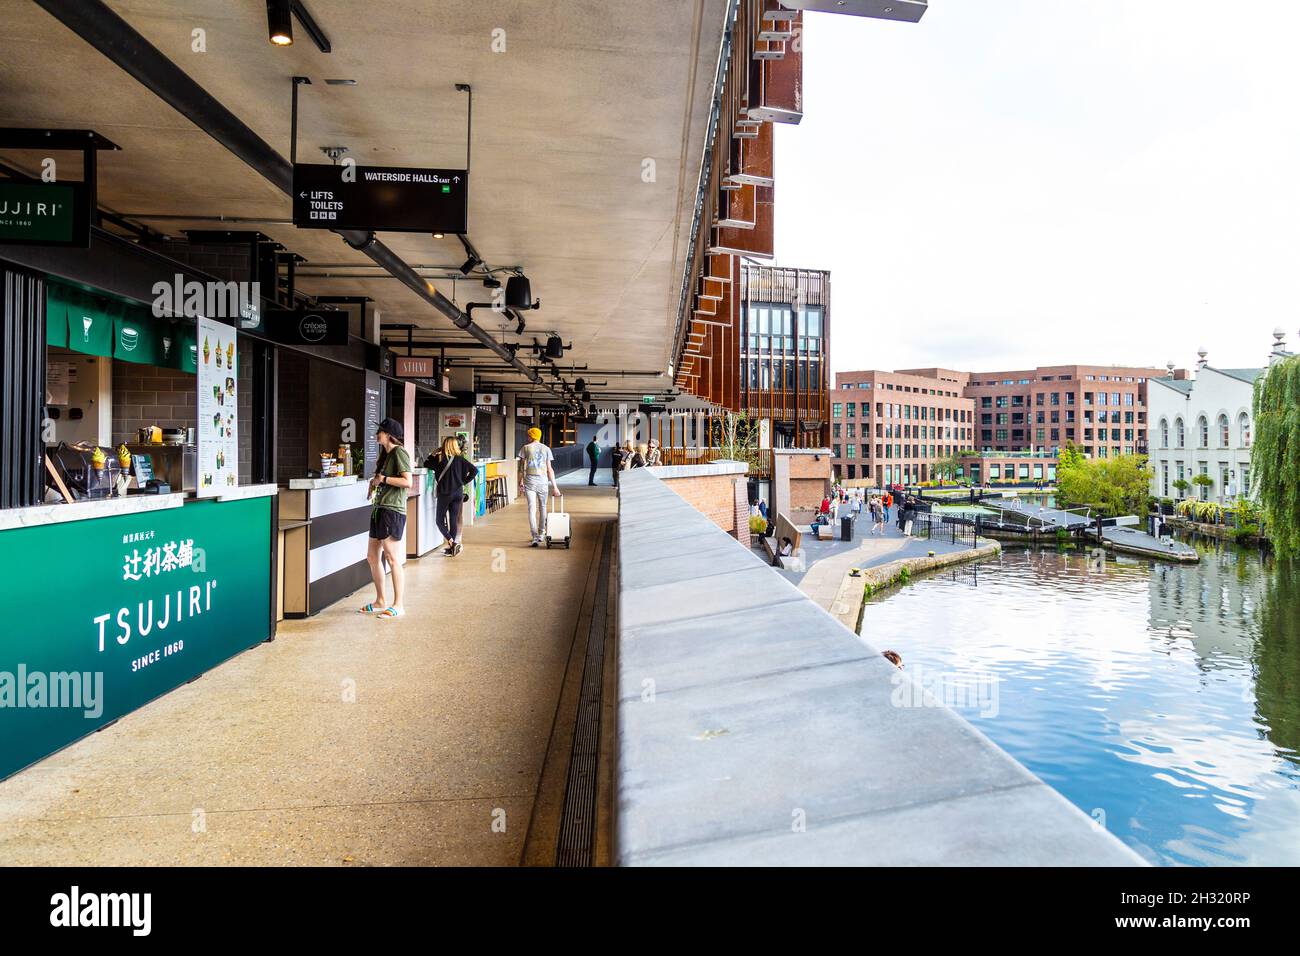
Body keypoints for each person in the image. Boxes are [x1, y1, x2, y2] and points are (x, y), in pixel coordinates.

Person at [360, 418, 412, 620]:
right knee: (372, 556)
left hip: (392, 511)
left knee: (391, 558)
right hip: (379, 509)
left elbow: (407, 481)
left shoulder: (400, 452)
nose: (376, 435)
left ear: (389, 434)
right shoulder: (386, 455)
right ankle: (380, 600)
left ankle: (398, 604)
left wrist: (384, 479)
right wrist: (375, 482)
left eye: (380, 431)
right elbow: (384, 479)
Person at [426, 435, 478, 557]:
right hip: (458, 493)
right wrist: (463, 482)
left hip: (445, 493)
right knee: (453, 520)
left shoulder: (439, 460)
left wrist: (434, 453)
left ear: (444, 446)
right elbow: (474, 470)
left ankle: (452, 543)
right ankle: (452, 547)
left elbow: (426, 463)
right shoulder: (461, 460)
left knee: (439, 521)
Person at [518, 426, 561, 547]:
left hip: (529, 481)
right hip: (543, 482)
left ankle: (535, 536)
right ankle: (542, 533)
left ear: (531, 436)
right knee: (543, 507)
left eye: (529, 435)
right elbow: (549, 469)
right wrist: (555, 487)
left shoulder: (525, 448)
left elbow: (521, 468)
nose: (528, 437)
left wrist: (520, 481)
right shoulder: (546, 449)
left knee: (532, 509)